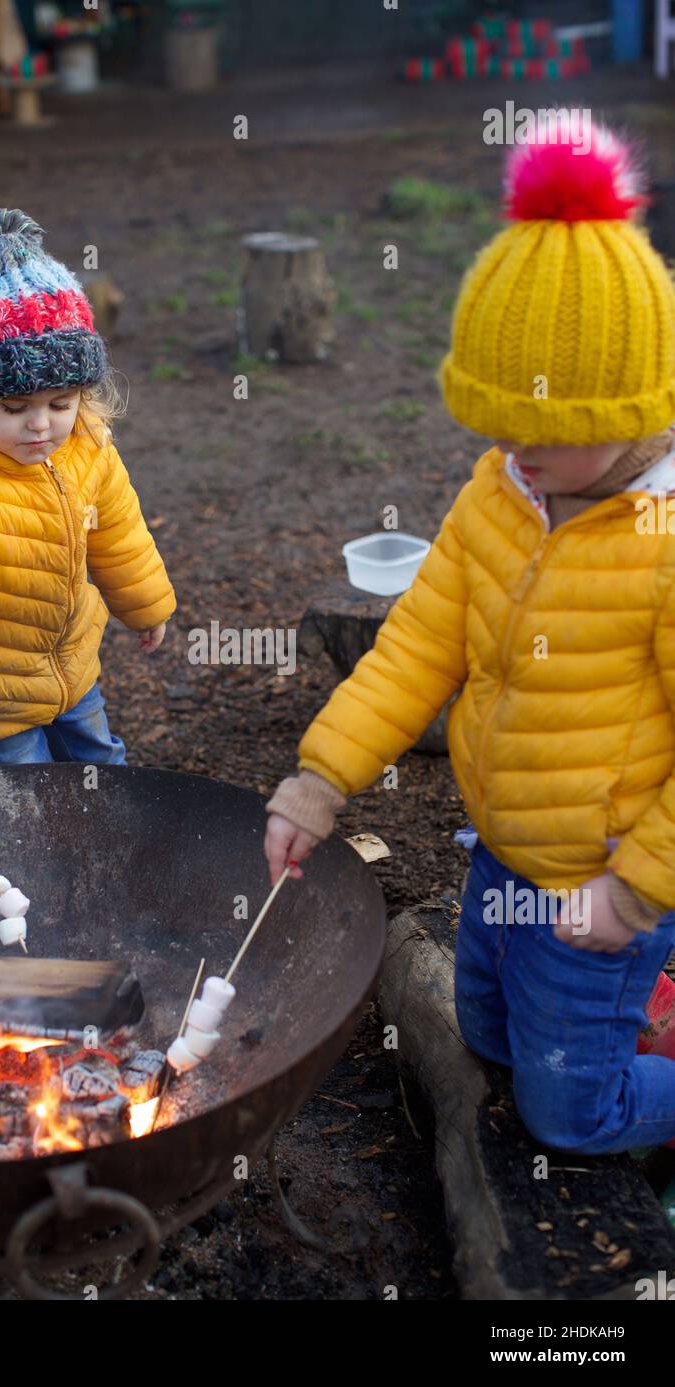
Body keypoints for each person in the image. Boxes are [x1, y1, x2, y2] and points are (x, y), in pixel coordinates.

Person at [264, 121, 675, 1153]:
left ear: (632, 411)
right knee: (485, 1032)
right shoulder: (499, 493)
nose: (514, 452)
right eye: (496, 425)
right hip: (501, 853)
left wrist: (635, 890)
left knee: (569, 1115)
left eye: (544, 433)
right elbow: (413, 647)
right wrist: (320, 778)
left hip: (602, 875)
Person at [0, 207, 175, 766]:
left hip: (73, 670)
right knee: (24, 802)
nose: (41, 425)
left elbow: (120, 533)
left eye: (60, 404)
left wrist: (146, 605)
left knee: (101, 768)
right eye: (15, 407)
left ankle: (113, 847)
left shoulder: (87, 446)